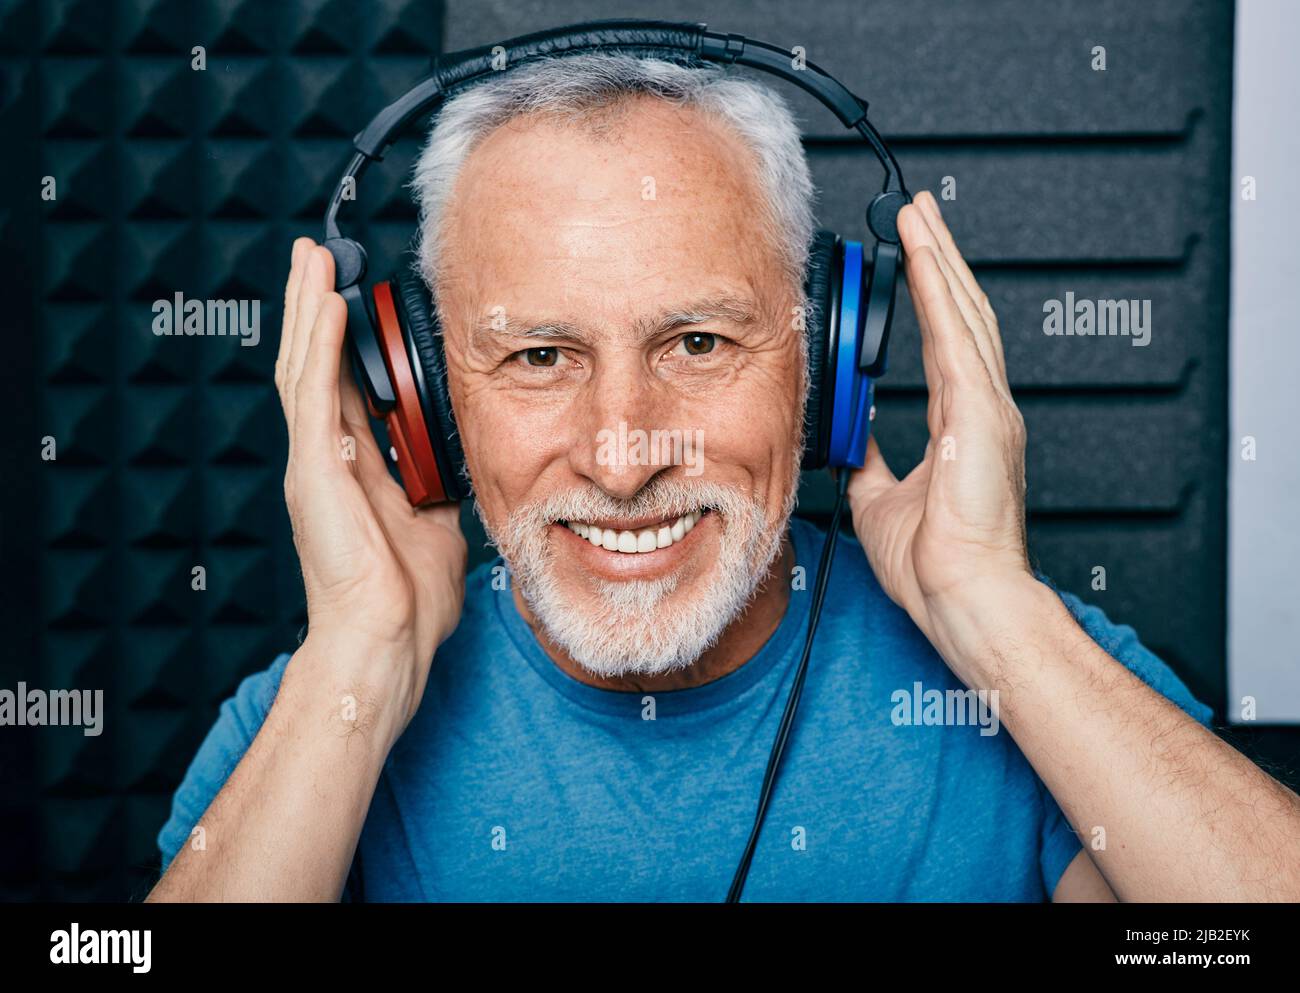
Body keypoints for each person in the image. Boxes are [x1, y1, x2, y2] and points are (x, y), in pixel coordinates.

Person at [148, 54, 1300, 902]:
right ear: (425, 400)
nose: (622, 453)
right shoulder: (314, 717)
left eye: (697, 344)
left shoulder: (1037, 692)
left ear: (830, 362)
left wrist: (989, 611)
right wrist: (361, 650)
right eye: (538, 358)